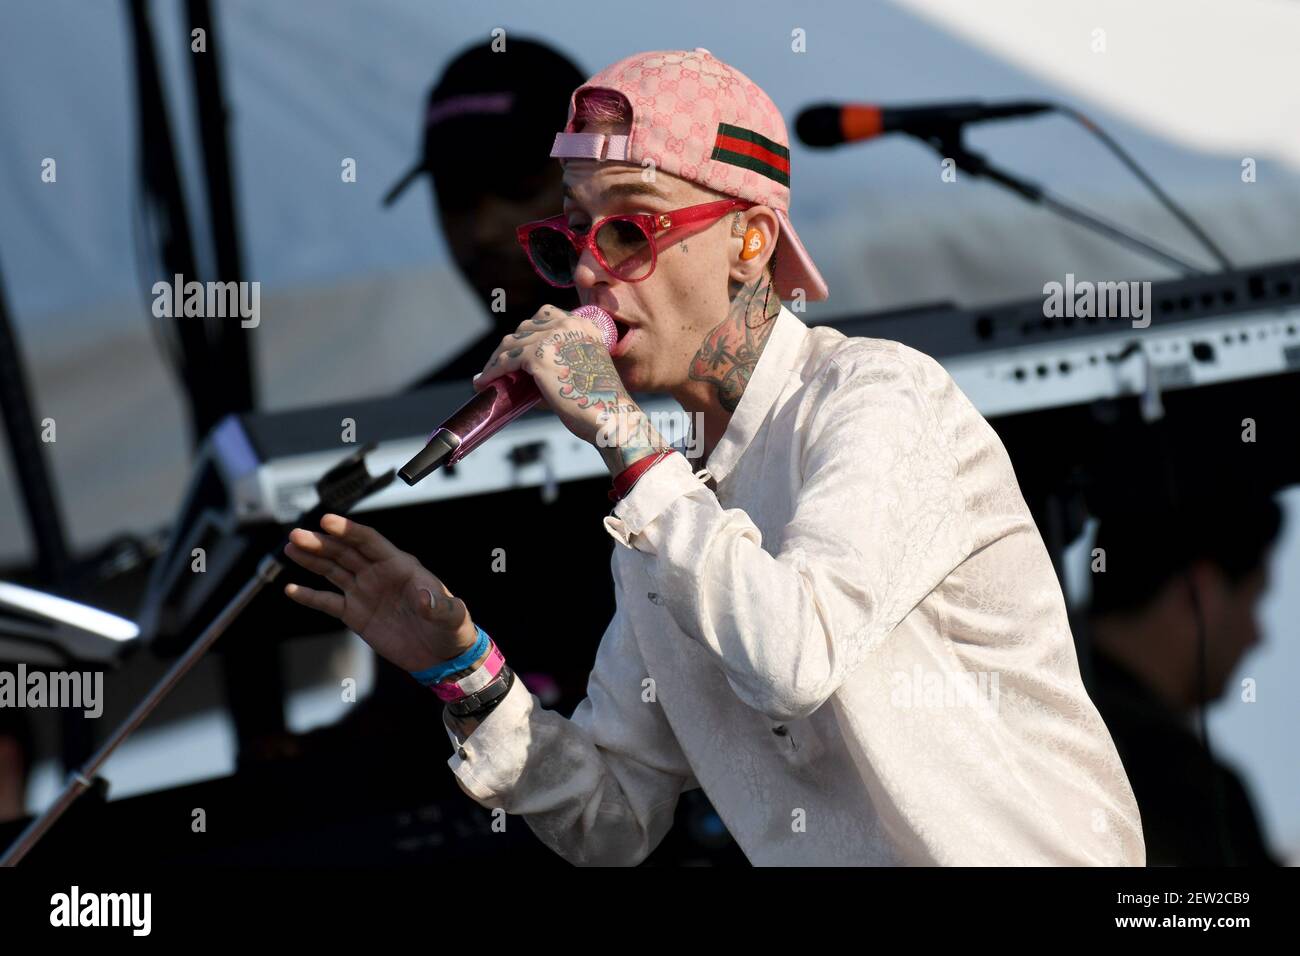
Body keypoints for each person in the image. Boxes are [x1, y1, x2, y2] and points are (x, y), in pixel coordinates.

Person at [283, 48, 1146, 865]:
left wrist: (622, 437)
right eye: (569, 237)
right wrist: (465, 668)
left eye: (627, 231)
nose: (587, 273)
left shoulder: (878, 398)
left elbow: (793, 659)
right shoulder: (670, 498)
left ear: (750, 241)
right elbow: (612, 821)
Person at [1083, 484, 1283, 866]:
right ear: (1199, 593)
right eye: (1253, 600)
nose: (1258, 635)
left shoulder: (1012, 706)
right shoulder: (1192, 791)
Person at [383, 38, 585, 386]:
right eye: (454, 198)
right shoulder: (431, 421)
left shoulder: (692, 386)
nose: (484, 232)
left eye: (518, 188)